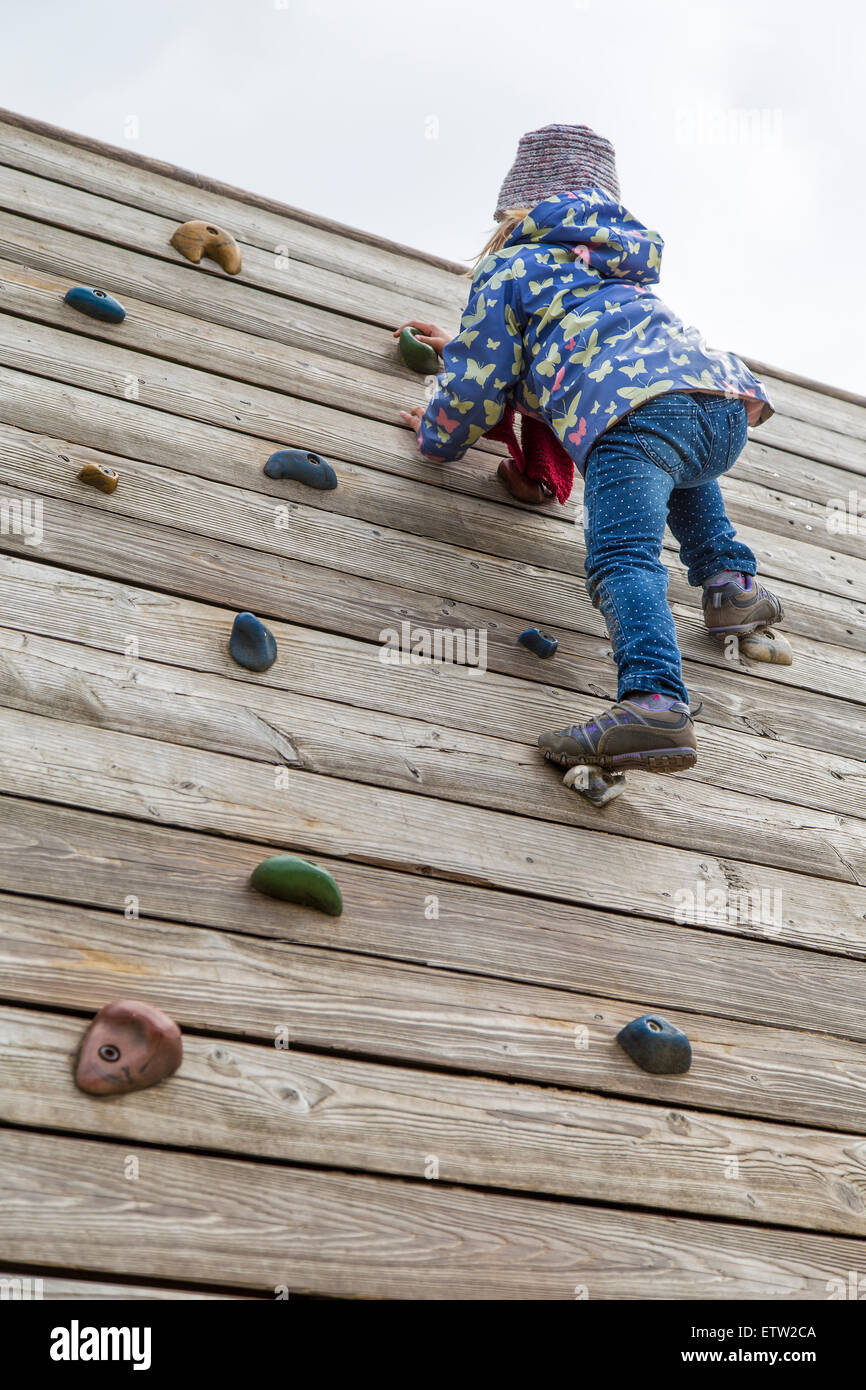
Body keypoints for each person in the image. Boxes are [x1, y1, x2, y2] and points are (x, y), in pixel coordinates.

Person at [399, 122, 783, 775]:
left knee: (622, 558)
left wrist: (438, 433)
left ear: (514, 211)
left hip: (634, 419)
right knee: (677, 459)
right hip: (722, 404)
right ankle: (729, 583)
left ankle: (654, 701)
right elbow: (561, 359)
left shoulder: (511, 265)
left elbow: (480, 380)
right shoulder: (621, 272)